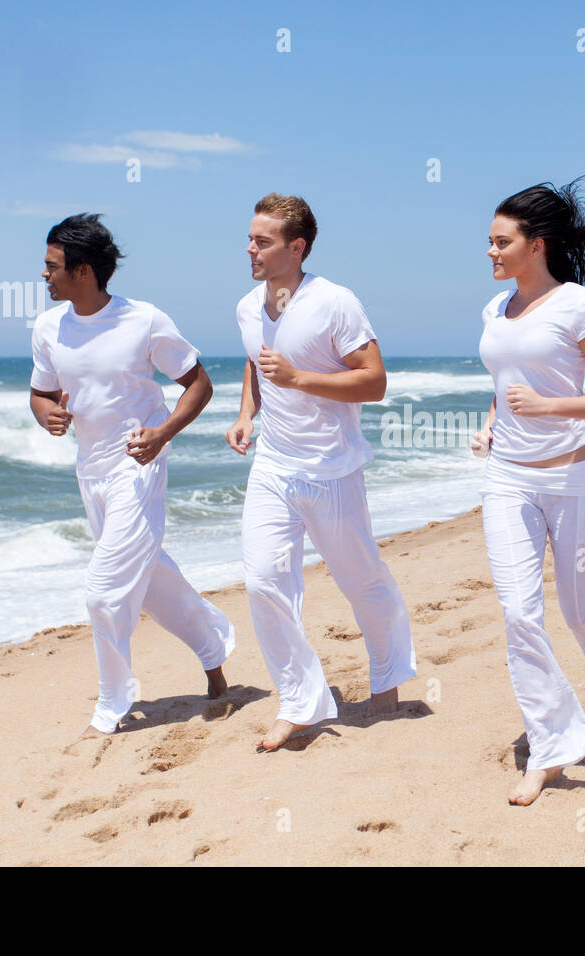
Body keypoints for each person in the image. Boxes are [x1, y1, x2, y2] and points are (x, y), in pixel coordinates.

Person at [29, 213, 236, 741]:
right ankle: (214, 652)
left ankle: (112, 701)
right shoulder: (48, 327)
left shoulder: (143, 321)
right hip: (90, 471)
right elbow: (42, 391)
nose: (43, 275)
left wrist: (162, 433)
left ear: (82, 270)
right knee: (148, 581)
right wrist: (45, 413)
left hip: (137, 466)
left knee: (103, 590)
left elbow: (199, 384)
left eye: (51, 266)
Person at [471, 179, 585, 806]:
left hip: (574, 477)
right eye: (489, 242)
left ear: (535, 245)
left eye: (501, 242)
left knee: (579, 604)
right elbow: (506, 379)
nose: (490, 252)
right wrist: (494, 422)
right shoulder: (495, 310)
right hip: (509, 479)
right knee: (520, 613)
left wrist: (549, 405)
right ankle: (551, 746)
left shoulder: (577, 304)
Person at [226, 193, 416, 752]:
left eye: (262, 241)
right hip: (273, 467)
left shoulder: (335, 303)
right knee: (263, 580)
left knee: (361, 581)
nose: (250, 248)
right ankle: (300, 702)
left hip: (332, 470)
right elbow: (256, 357)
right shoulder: (246, 306)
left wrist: (299, 378)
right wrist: (246, 413)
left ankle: (388, 679)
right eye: (251, 238)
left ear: (297, 247)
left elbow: (374, 380)